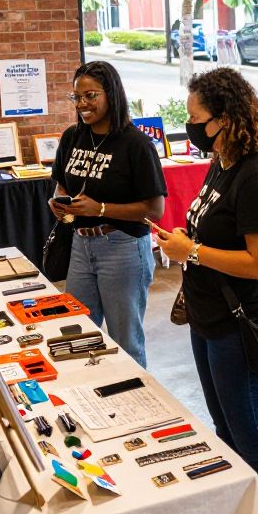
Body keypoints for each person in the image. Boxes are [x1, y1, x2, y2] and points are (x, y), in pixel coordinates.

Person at [154, 67, 258, 514]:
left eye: (197, 117)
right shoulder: (221, 162)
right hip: (209, 317)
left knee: (254, 438)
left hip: (242, 325)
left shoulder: (257, 176)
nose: (191, 126)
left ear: (225, 118)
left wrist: (190, 250)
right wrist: (186, 239)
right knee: (226, 431)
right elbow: (216, 232)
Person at [49, 61, 165, 368]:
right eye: (76, 97)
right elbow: (62, 185)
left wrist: (100, 209)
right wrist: (61, 206)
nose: (83, 104)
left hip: (123, 248)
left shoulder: (136, 144)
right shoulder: (72, 137)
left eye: (90, 95)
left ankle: (136, 407)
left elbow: (155, 211)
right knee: (76, 335)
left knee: (125, 341)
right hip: (80, 246)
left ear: (111, 94)